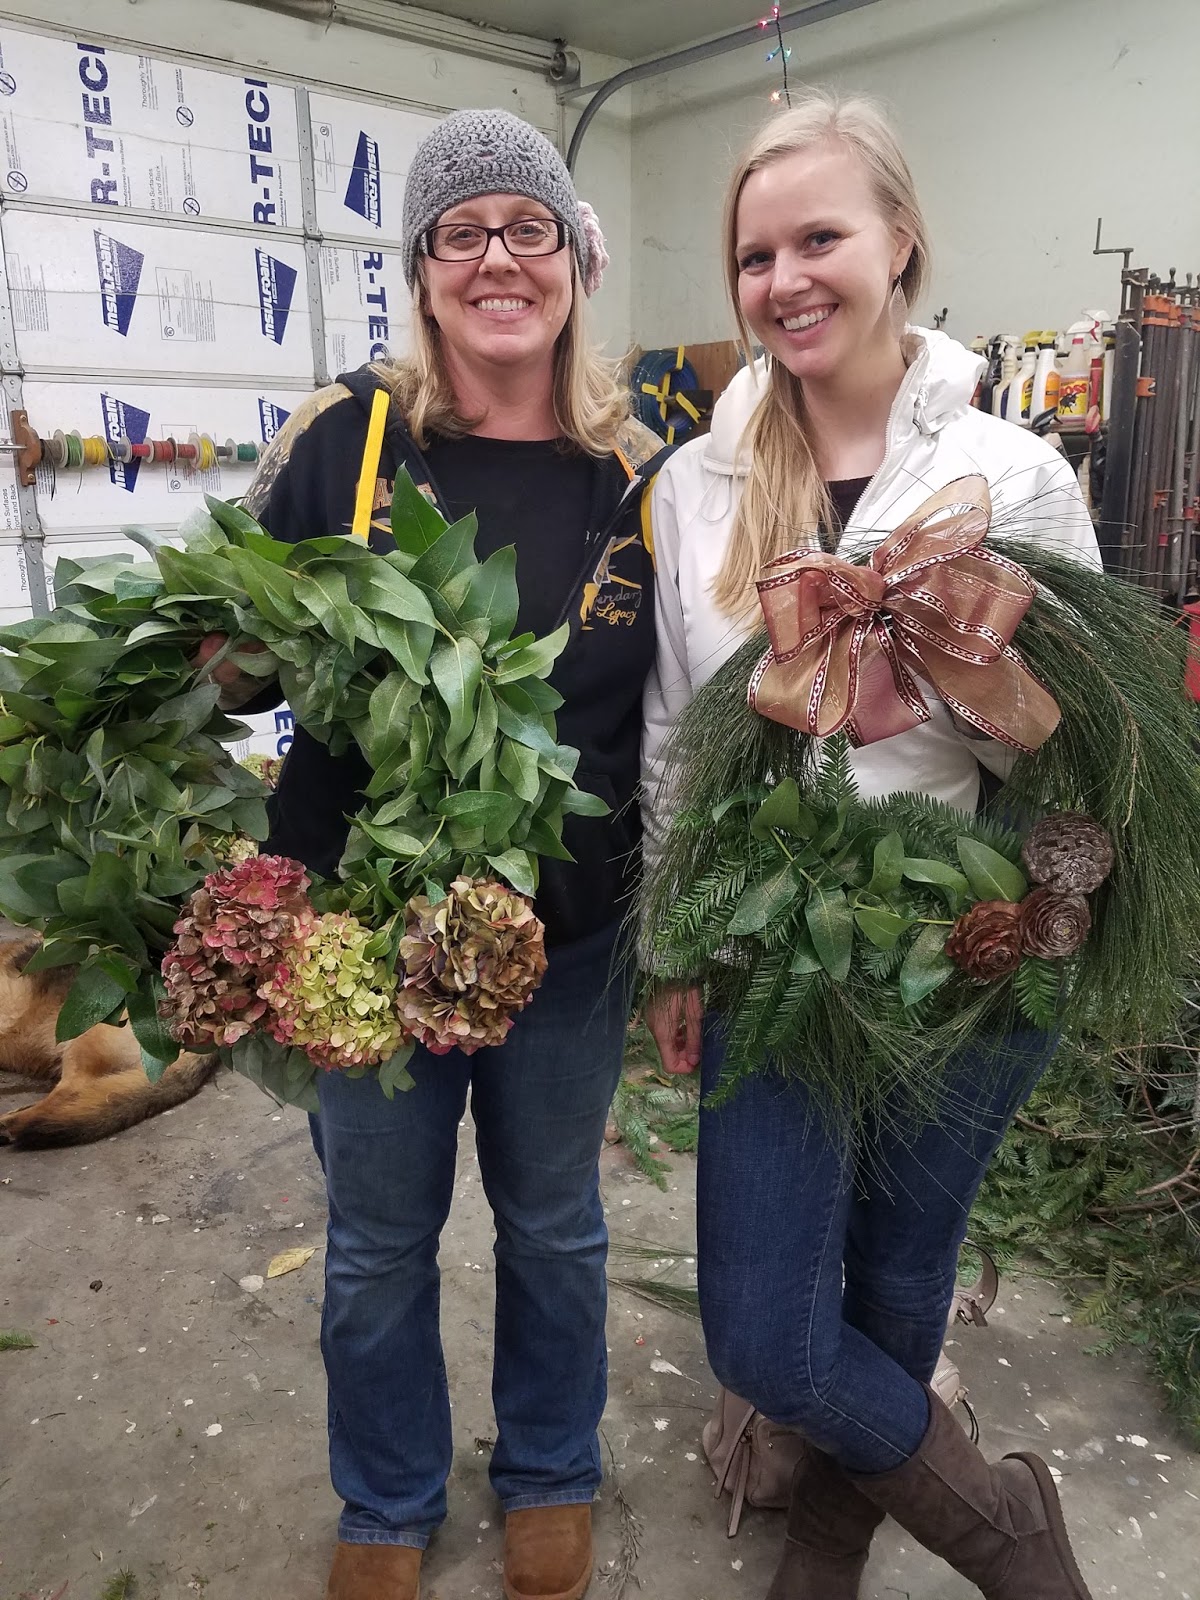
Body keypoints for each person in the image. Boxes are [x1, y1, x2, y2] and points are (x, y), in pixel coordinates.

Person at [641, 93, 1100, 1600]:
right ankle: (1002, 1524)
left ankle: (836, 1527)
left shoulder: (1007, 480)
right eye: (755, 253)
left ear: (900, 241)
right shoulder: (694, 488)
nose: (786, 280)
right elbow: (672, 740)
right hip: (779, 953)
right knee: (764, 1329)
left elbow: (1088, 752)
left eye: (819, 237)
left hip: (961, 954)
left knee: (902, 1276)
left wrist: (1044, 941)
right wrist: (671, 945)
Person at [211, 109, 668, 1600]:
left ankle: (549, 1467)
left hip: (569, 941)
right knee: (374, 1244)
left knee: (554, 1227)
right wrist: (205, 658)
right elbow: (251, 668)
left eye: (524, 228)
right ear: (419, 267)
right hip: (362, 934)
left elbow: (675, 708)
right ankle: (388, 1499)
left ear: (571, 263)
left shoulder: (641, 480)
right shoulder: (340, 445)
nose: (495, 259)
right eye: (460, 231)